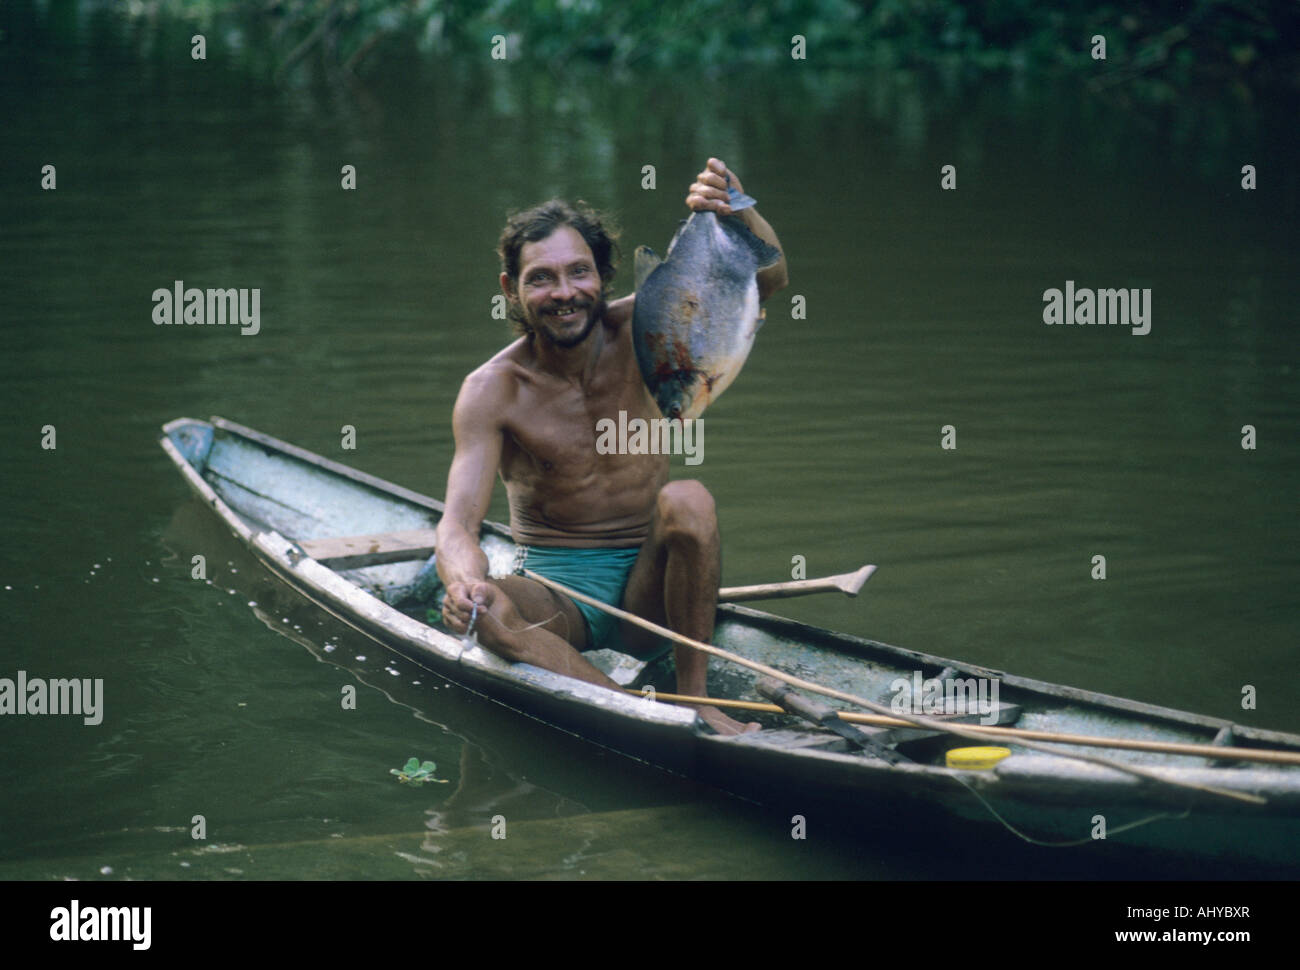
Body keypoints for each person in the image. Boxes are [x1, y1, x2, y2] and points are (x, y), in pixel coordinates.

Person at [436, 158, 788, 735]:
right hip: (555, 597)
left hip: (651, 591)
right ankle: (639, 716)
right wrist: (464, 583)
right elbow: (456, 524)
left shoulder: (652, 330)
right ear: (511, 288)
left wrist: (737, 211)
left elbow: (766, 280)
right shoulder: (490, 391)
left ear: (602, 277)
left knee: (690, 498)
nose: (564, 292)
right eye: (541, 277)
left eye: (579, 273)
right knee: (488, 615)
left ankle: (695, 699)